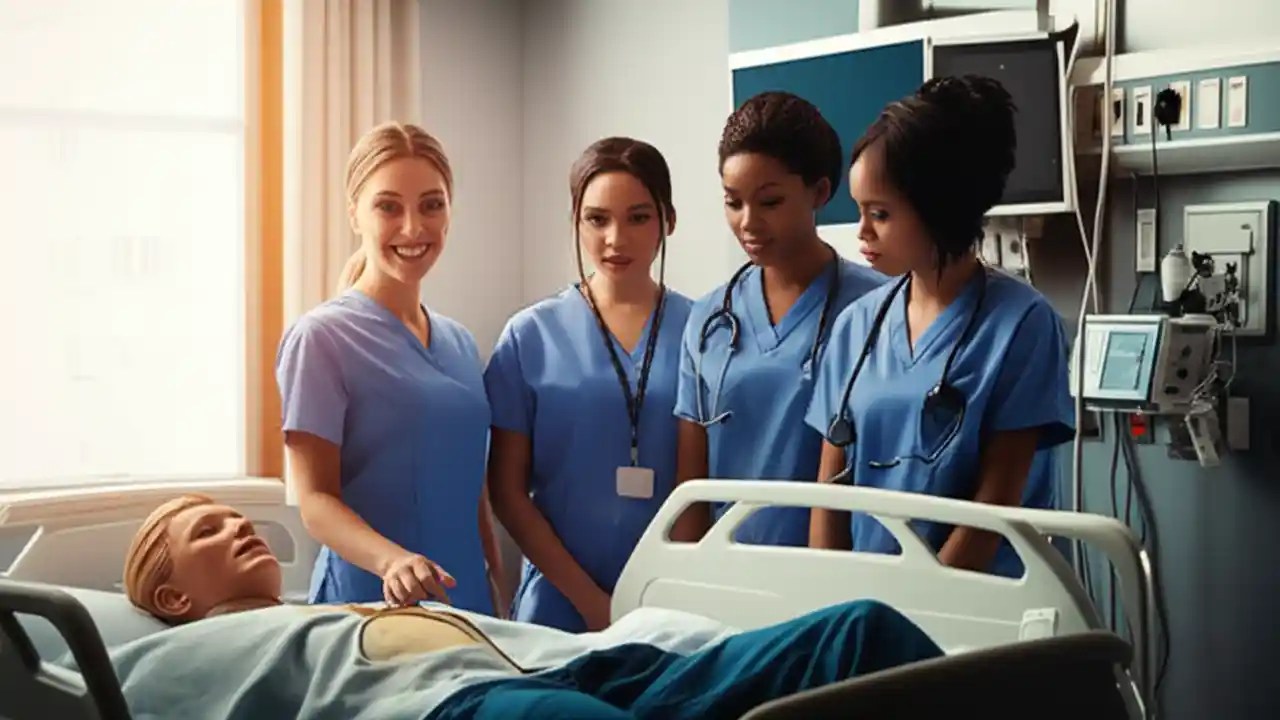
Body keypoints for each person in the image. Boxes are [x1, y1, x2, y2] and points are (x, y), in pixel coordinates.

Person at [118, 494, 944, 720]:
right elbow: (102, 685)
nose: (238, 525)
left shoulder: (321, 614)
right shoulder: (183, 652)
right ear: (171, 596)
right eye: (207, 529)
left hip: (573, 666)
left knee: (859, 632)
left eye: (235, 515)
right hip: (461, 705)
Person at [805, 76, 1075, 578]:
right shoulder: (855, 327)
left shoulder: (1022, 325)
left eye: (880, 214)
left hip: (975, 611)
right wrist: (831, 607)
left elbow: (994, 509)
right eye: (859, 211)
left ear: (937, 206)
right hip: (864, 612)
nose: (861, 231)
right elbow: (830, 495)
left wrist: (914, 610)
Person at [274, 122, 502, 614]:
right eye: (388, 206)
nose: (413, 228)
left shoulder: (460, 343)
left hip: (468, 604)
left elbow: (468, 485)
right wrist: (392, 562)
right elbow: (314, 500)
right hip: (370, 607)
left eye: (431, 204)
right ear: (354, 212)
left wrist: (494, 579)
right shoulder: (321, 339)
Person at [484, 137, 693, 633]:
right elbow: (506, 492)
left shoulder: (704, 332)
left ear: (669, 221)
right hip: (558, 602)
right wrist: (590, 601)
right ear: (576, 221)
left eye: (638, 218)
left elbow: (699, 488)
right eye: (597, 219)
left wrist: (668, 592)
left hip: (667, 602)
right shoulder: (529, 335)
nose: (615, 239)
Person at [671, 91, 886, 547]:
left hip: (833, 572)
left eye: (770, 203)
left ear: (820, 193)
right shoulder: (709, 318)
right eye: (733, 202)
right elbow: (690, 493)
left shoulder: (877, 307)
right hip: (725, 574)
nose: (748, 222)